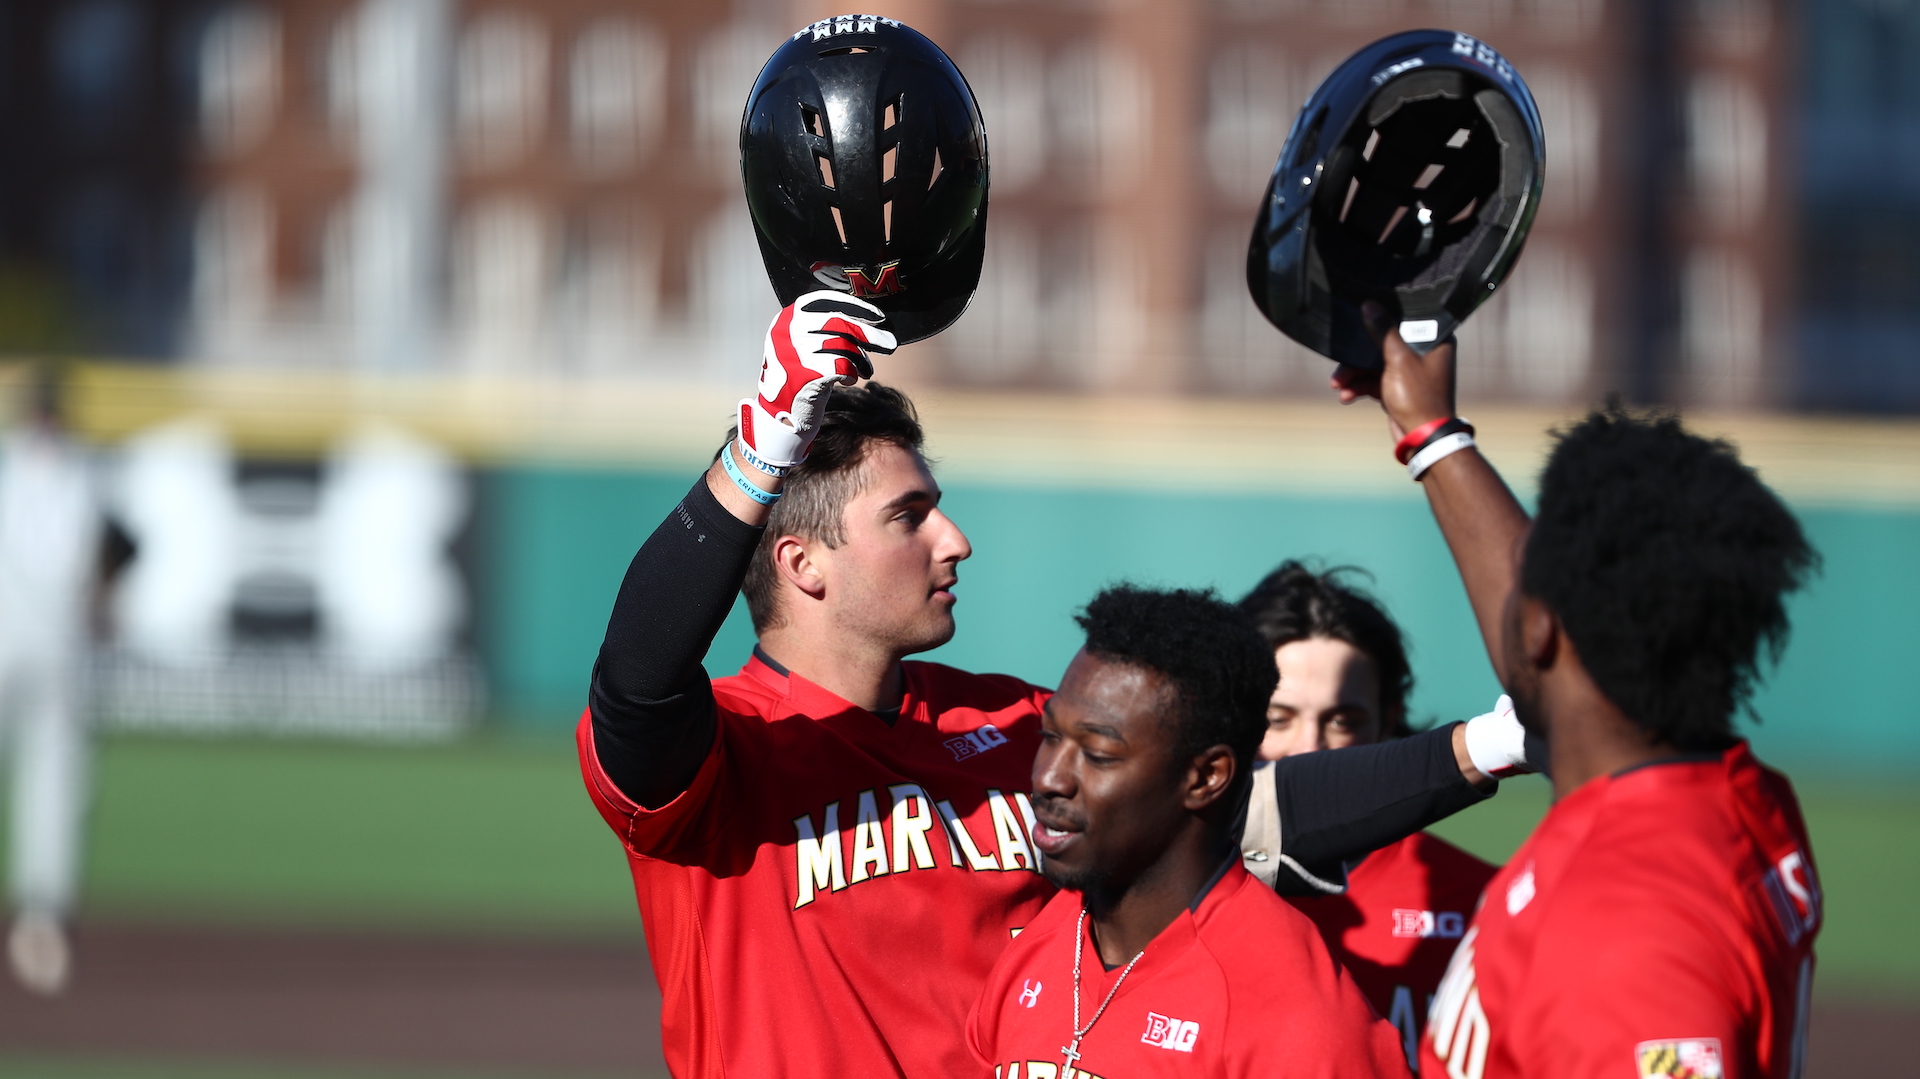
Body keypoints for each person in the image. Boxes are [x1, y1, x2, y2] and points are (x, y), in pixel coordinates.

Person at [577, 289, 1532, 1079]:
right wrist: (755, 457)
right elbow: (636, 679)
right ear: (803, 563)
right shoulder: (726, 753)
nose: (954, 539)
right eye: (909, 517)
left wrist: (1498, 741)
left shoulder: (1011, 720)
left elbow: (1247, 807)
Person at [1331, 307, 1822, 1079]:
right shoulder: (1711, 788)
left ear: (1542, 628)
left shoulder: (1630, 926)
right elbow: (1546, 648)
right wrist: (1432, 433)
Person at [968, 585, 1410, 1079]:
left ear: (1205, 777)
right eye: (1050, 736)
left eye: (1098, 754)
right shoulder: (1040, 943)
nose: (1050, 778)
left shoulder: (1293, 1014)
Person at [1235, 562, 1499, 1067]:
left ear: (1389, 720)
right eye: (1277, 719)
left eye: (1342, 721)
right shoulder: (1168, 896)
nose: (1309, 748)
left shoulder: (1480, 903)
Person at [0, 366, 101, 995]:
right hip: (27, 637)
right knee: (53, 772)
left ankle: (42, 910)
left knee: (55, 776)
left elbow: (90, 567)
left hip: (52, 644)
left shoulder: (76, 473)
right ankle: (42, 909)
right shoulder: (72, 473)